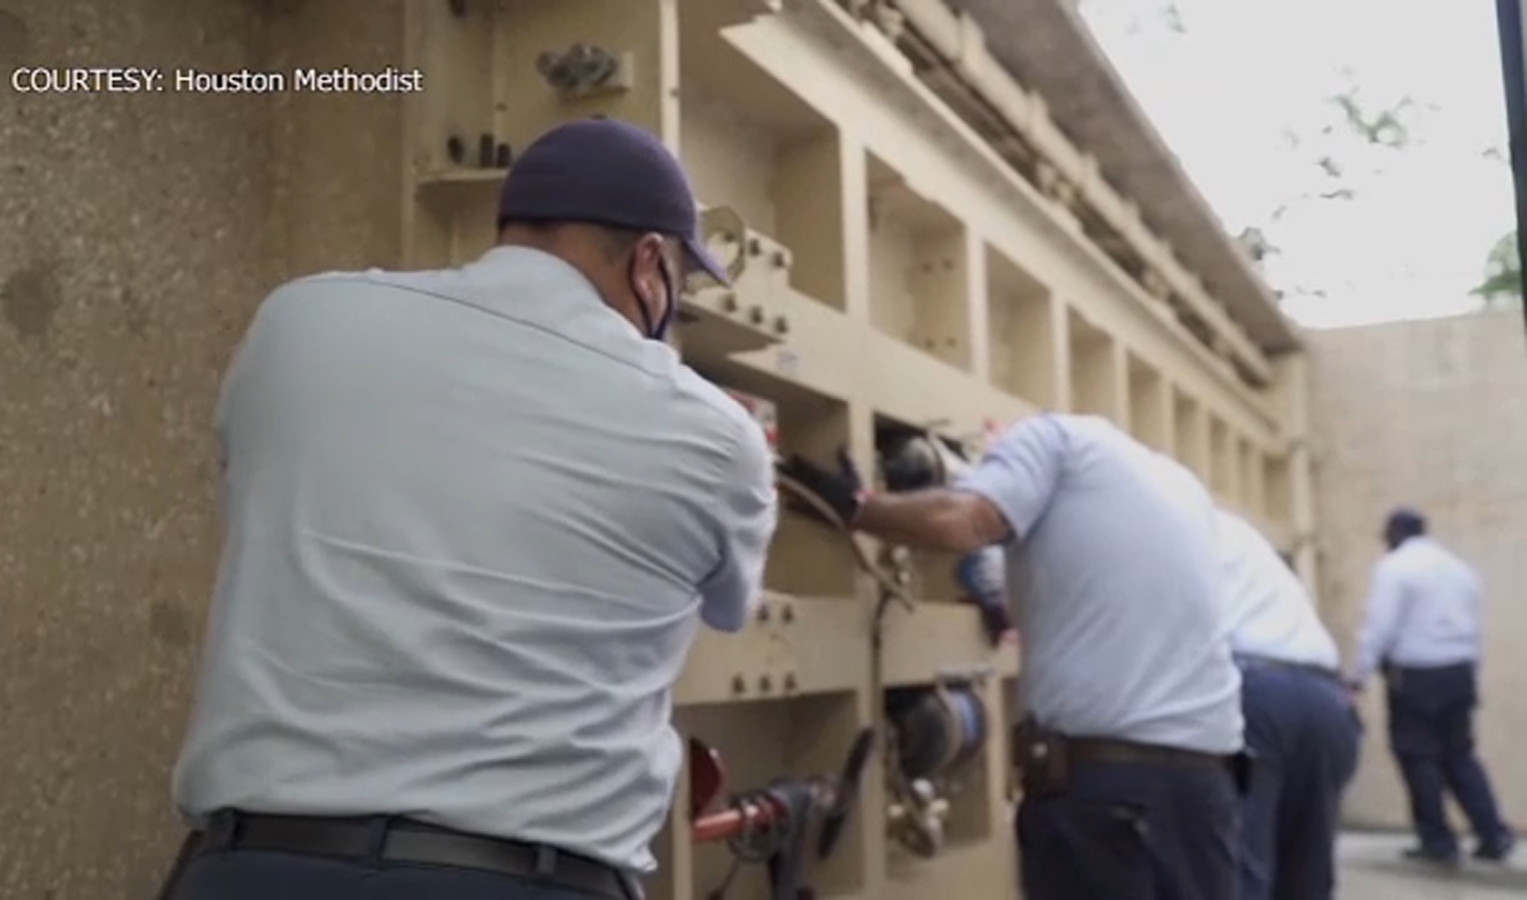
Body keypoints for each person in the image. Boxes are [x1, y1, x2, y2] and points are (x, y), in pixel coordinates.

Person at [157, 117, 779, 900]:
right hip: (522, 879)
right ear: (652, 262)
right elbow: (729, 608)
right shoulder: (714, 433)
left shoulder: (299, 322)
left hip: (254, 867)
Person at [779, 413, 1246, 900]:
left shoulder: (1048, 437)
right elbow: (1066, 601)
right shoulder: (1179, 485)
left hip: (1108, 794)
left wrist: (859, 509)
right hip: (1204, 789)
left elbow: (963, 521)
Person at [1349, 508, 1514, 865]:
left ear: (1394, 533)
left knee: (1417, 756)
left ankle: (1437, 839)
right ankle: (1492, 833)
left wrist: (1359, 675)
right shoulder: (1459, 569)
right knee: (1460, 754)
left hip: (1416, 673)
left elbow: (1380, 626)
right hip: (1459, 671)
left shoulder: (1396, 568)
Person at [1213, 509, 1360, 900]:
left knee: (1241, 868)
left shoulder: (1169, 527)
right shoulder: (1238, 532)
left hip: (1255, 696)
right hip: (1327, 699)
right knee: (1307, 876)